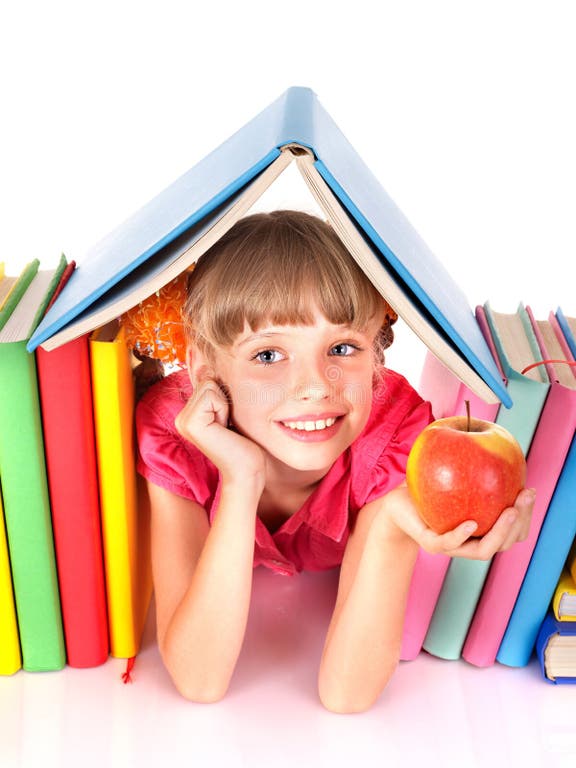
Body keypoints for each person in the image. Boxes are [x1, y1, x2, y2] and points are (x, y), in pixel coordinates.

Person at [135, 210, 534, 714]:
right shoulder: (176, 432)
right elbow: (199, 678)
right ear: (203, 368)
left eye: (343, 347)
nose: (316, 385)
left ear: (377, 357)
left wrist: (391, 520)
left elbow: (348, 696)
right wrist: (241, 480)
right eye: (267, 355)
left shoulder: (397, 439)